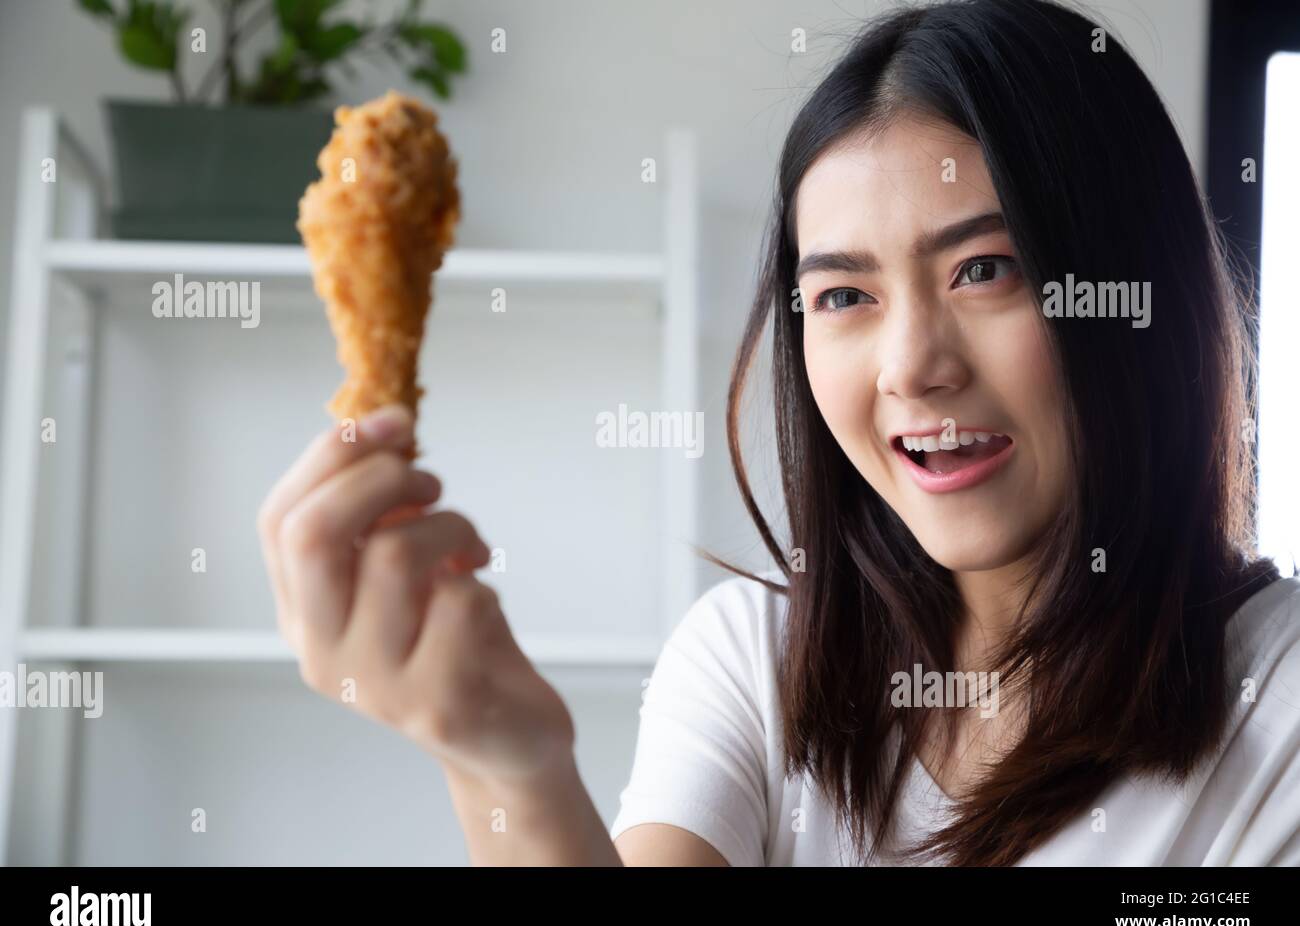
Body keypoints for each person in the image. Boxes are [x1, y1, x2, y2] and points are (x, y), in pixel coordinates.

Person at [256, 0, 1300, 866]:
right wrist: (504, 763)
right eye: (844, 294)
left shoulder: (1279, 699)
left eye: (985, 269)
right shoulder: (751, 663)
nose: (910, 366)